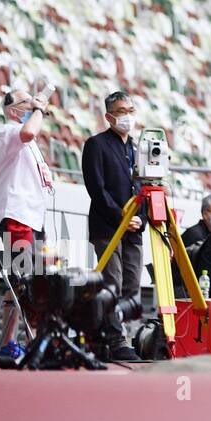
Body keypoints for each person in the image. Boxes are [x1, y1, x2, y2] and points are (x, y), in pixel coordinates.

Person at [0, 86, 55, 360]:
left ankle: (23, 341)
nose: (32, 104)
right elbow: (28, 131)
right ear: (13, 110)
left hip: (32, 219)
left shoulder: (30, 143)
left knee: (32, 282)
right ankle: (16, 342)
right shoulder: (7, 132)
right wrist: (39, 108)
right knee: (21, 281)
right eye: (26, 102)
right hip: (16, 218)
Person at [81, 89, 144, 361]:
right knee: (112, 282)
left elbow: (144, 187)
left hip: (136, 228)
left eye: (130, 111)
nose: (127, 117)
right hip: (109, 227)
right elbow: (97, 189)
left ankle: (125, 336)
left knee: (132, 284)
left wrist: (140, 219)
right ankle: (113, 339)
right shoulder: (96, 145)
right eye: (121, 112)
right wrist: (122, 217)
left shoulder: (138, 148)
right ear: (109, 116)